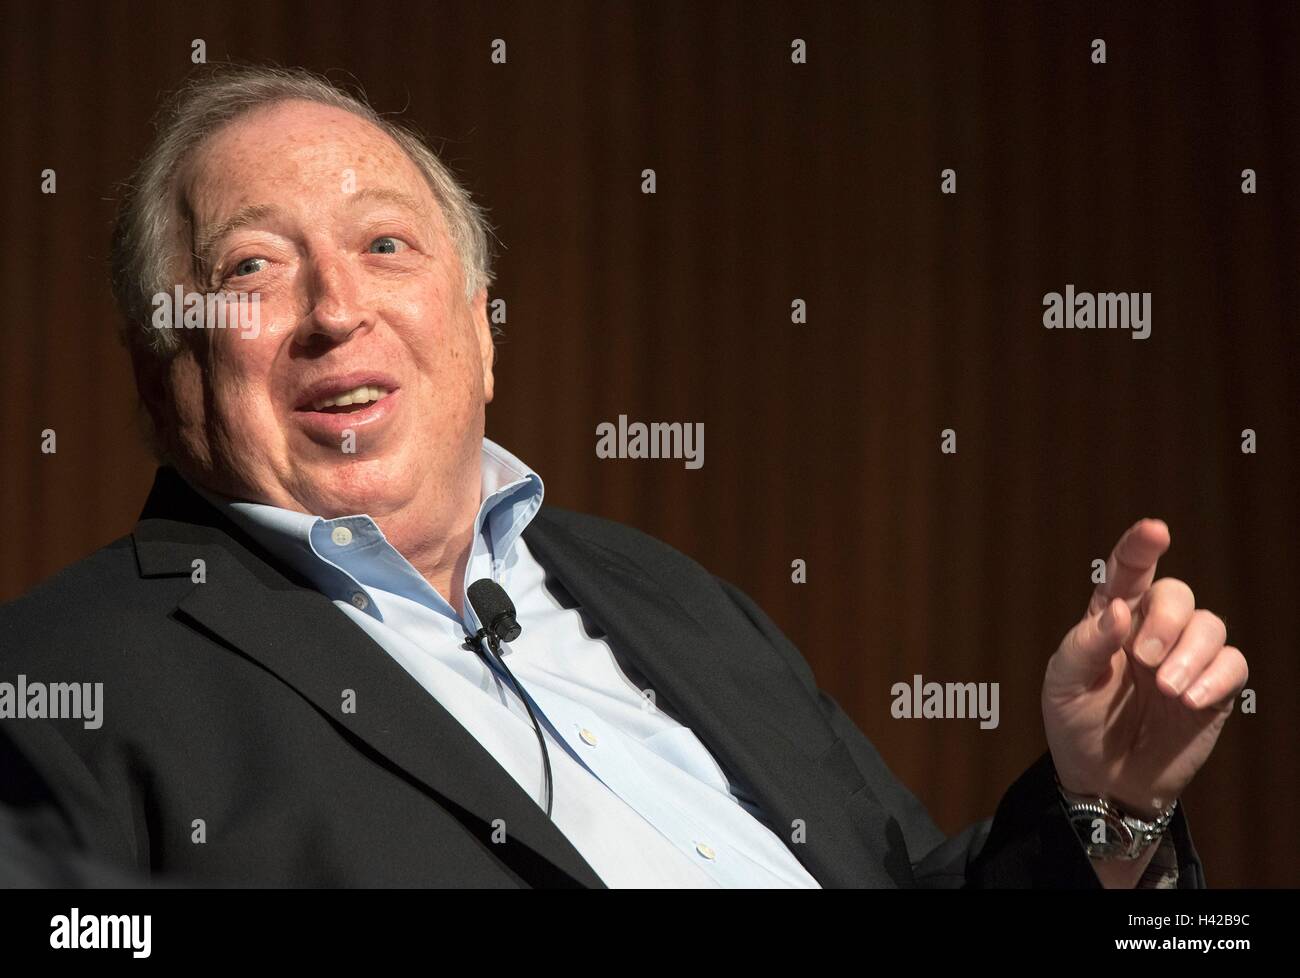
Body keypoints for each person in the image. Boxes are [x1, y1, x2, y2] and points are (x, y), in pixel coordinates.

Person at [0, 64, 1246, 888]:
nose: (338, 311)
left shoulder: (660, 594)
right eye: (253, 270)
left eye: (385, 245)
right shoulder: (70, 679)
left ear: (483, 329)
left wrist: (1104, 812)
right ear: (165, 366)